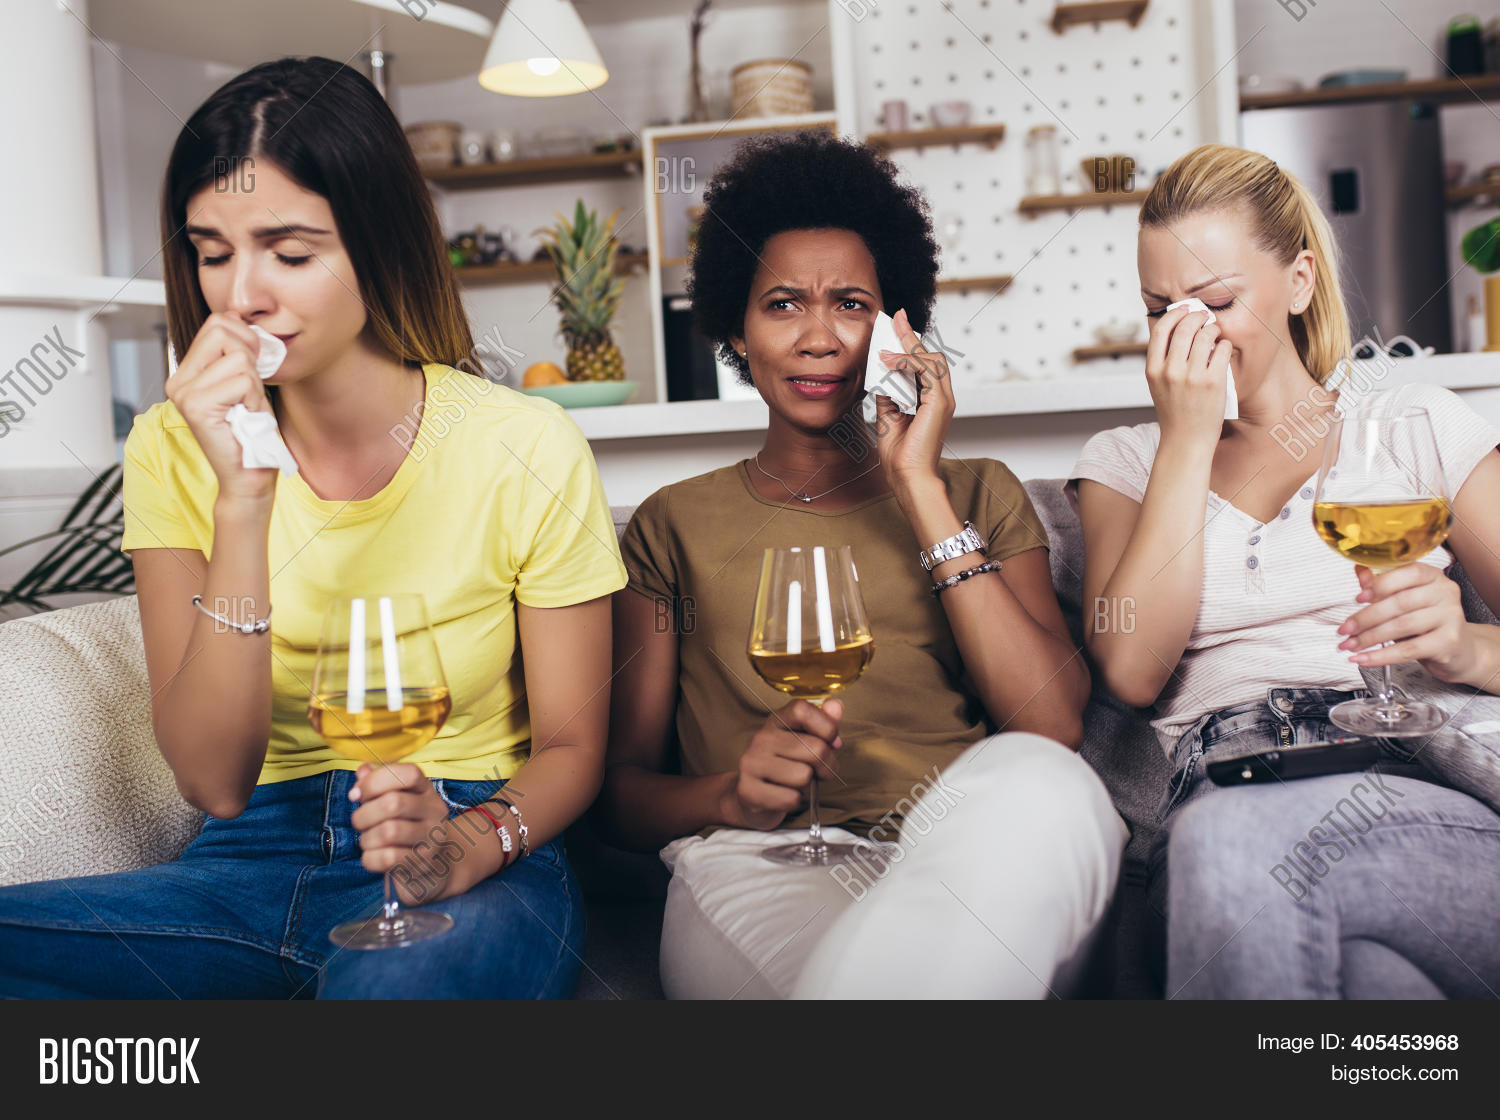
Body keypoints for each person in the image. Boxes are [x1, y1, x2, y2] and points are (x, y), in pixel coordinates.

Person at [0, 58, 625, 999]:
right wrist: (243, 498)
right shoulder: (172, 448)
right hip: (248, 856)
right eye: (213, 252)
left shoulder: (523, 441)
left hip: (461, 838)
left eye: (288, 253)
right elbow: (213, 782)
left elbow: (576, 751)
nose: (240, 294)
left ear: (376, 245)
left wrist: (468, 841)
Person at [595, 131, 1125, 1000]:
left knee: (1045, 785)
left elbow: (1052, 725)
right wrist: (731, 796)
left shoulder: (974, 490)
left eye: (849, 304)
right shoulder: (671, 526)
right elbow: (617, 795)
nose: (817, 337)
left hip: (965, 849)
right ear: (735, 325)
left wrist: (918, 487)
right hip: (760, 864)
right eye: (781, 305)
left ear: (893, 328)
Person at [1071, 143, 1500, 998]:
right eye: (1160, 311)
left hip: (1414, 783)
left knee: (1239, 852)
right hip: (1225, 787)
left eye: (1216, 301)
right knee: (1378, 988)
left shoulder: (1413, 423)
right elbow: (1129, 667)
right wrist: (1187, 441)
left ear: (1300, 282)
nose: (1185, 331)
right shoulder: (1125, 461)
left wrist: (1470, 649)